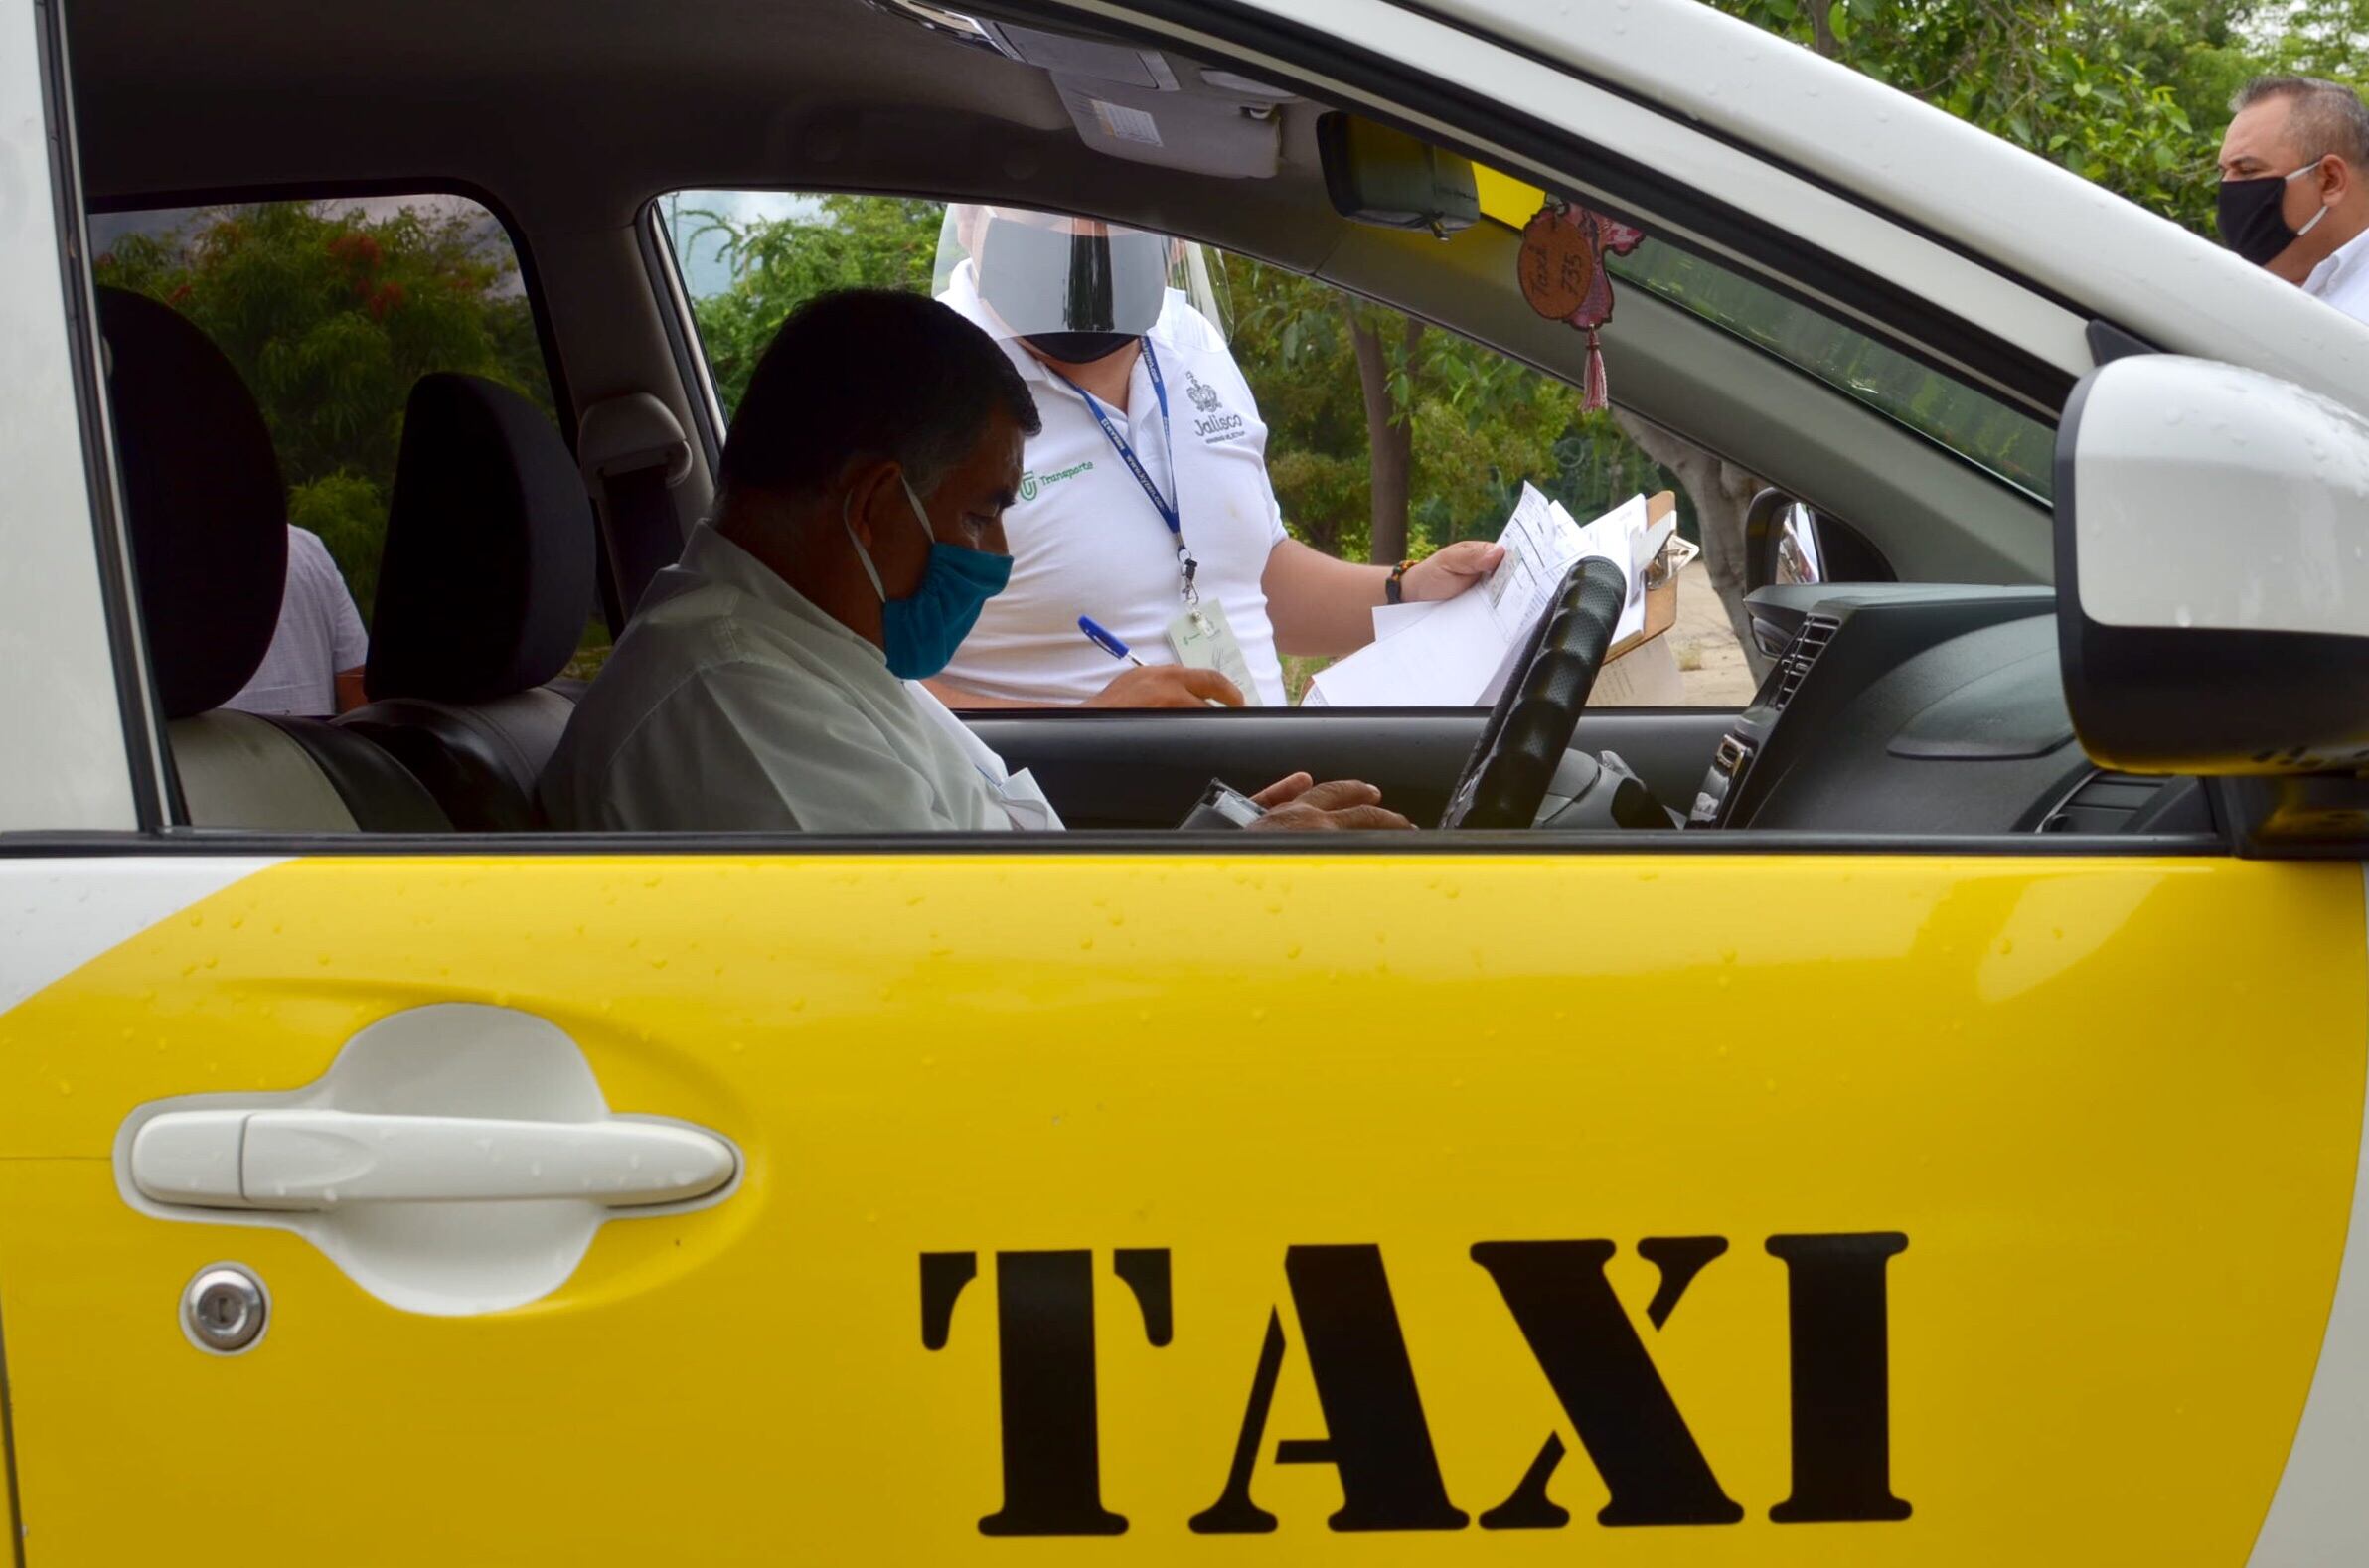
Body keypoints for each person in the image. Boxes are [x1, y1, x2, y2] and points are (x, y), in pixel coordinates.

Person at [537, 289, 1412, 834]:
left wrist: (1216, 854)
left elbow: (991, 902)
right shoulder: (730, 712)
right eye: (984, 513)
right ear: (876, 506)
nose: (995, 556)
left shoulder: (806, 659)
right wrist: (1223, 880)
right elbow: (956, 985)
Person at [929, 204, 1503, 708]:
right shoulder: (926, 384)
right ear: (973, 219)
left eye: (1111, 205)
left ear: (1173, 238)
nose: (1087, 232)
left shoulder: (1188, 339)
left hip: (1263, 804)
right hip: (1069, 818)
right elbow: (860, 682)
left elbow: (1249, 573)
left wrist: (1403, 590)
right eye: (1050, 209)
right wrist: (1086, 727)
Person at [2217, 75, 2369, 321]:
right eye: (2223, 172)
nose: (2227, 187)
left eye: (2246, 170)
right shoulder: (2241, 292)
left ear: (2331, 180)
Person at [223, 524, 369, 716]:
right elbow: (355, 679)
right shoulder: (308, 547)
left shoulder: (176, 547)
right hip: (305, 742)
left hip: (207, 743)